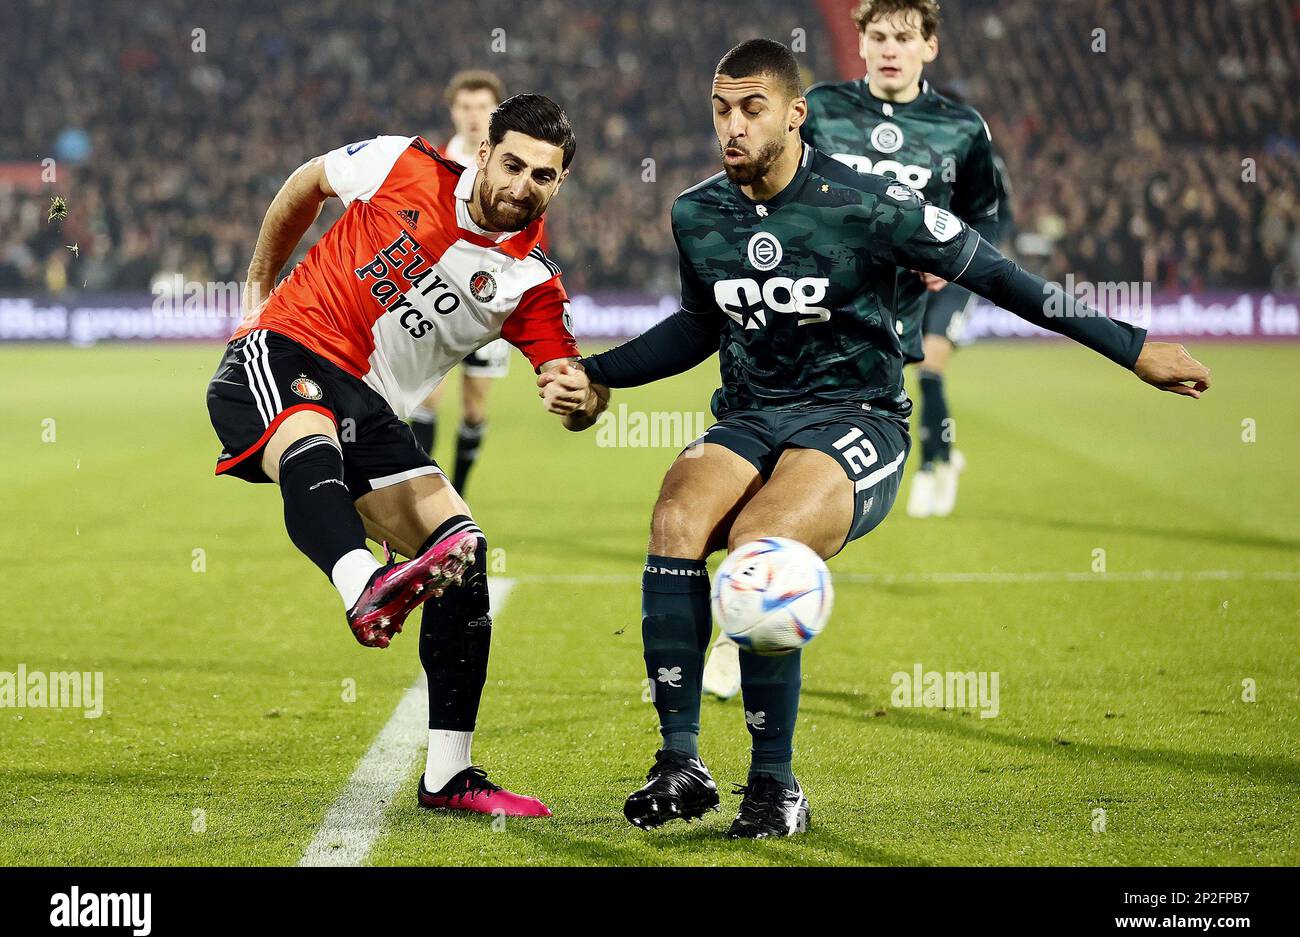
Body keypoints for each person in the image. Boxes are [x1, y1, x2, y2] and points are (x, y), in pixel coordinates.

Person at [538, 40, 1209, 839]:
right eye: (721, 108)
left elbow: (999, 277)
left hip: (858, 418)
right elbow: (697, 325)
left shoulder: (873, 203)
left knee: (762, 545)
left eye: (752, 108)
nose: (732, 125)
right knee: (675, 520)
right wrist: (601, 374)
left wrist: (1132, 347)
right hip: (750, 415)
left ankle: (773, 786)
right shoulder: (697, 211)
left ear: (795, 115)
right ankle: (680, 760)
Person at [207, 94, 606, 817]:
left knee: (462, 553)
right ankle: (362, 581)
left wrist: (583, 402)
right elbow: (308, 182)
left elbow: (574, 384)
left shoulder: (532, 283)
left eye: (542, 178)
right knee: (309, 436)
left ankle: (448, 775)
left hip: (372, 410)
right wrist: (260, 285)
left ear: (559, 184)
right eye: (511, 164)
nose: (521, 186)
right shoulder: (404, 162)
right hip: (287, 348)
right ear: (483, 154)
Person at [702, 0, 1004, 700]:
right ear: (860, 41)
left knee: (819, 466)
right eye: (876, 35)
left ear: (930, 46)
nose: (889, 49)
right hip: (809, 307)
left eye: (904, 37)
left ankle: (933, 456)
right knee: (755, 458)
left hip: (891, 323)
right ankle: (734, 627)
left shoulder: (962, 129)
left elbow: (986, 215)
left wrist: (950, 245)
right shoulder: (824, 109)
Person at [409, 69, 513, 496]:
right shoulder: (436, 164)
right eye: (466, 107)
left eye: (482, 107)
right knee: (427, 400)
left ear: (497, 113)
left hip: (490, 304)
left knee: (473, 408)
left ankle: (459, 497)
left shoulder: (511, 166)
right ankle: (418, 500)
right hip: (438, 299)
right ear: (453, 111)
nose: (474, 116)